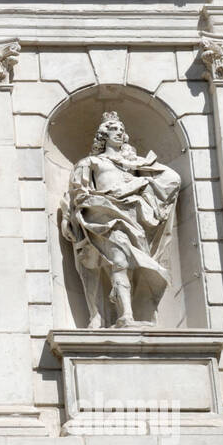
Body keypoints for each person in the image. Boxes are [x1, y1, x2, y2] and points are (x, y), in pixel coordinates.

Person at [60, 111, 180, 327]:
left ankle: (127, 312)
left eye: (121, 131)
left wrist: (141, 175)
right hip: (103, 216)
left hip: (131, 217)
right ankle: (123, 316)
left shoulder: (134, 166)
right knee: (120, 261)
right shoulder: (91, 162)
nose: (119, 133)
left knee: (128, 265)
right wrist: (69, 217)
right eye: (114, 130)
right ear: (103, 136)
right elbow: (78, 192)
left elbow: (172, 179)